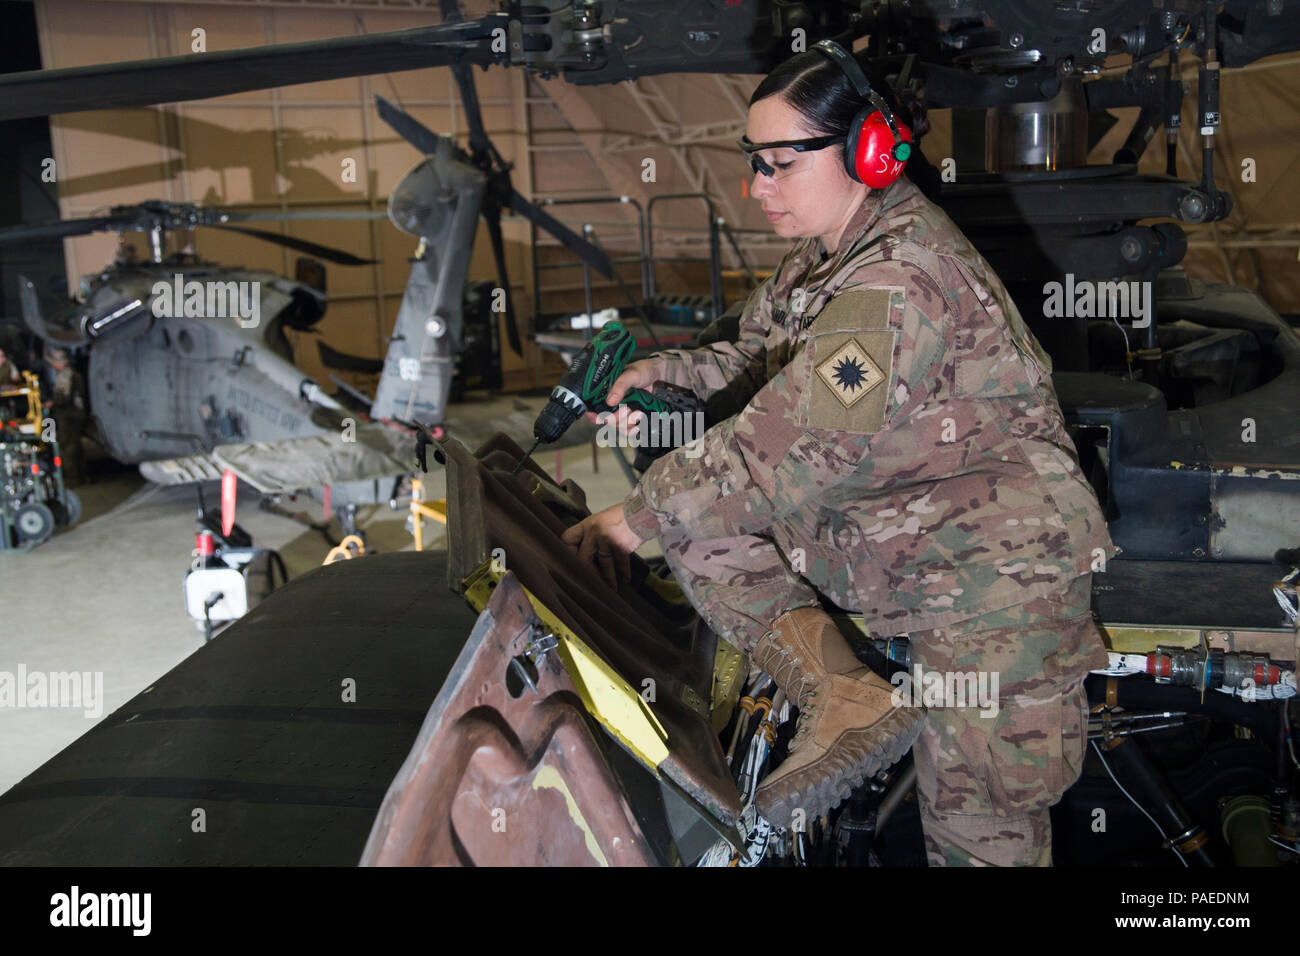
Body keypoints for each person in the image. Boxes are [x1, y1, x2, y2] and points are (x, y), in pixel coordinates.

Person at [561, 42, 1114, 866]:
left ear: (868, 150)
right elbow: (756, 361)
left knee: (976, 833)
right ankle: (841, 692)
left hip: (991, 581)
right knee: (700, 527)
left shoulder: (896, 280)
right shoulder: (824, 258)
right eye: (755, 163)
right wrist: (664, 371)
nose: (758, 187)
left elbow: (791, 447)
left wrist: (631, 520)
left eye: (781, 163)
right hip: (898, 534)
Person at [42, 347, 88, 486]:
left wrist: (52, 403)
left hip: (69, 415)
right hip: (75, 414)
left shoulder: (66, 376)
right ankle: (81, 475)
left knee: (68, 446)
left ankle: (73, 478)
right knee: (75, 445)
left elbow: (64, 398)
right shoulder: (71, 374)